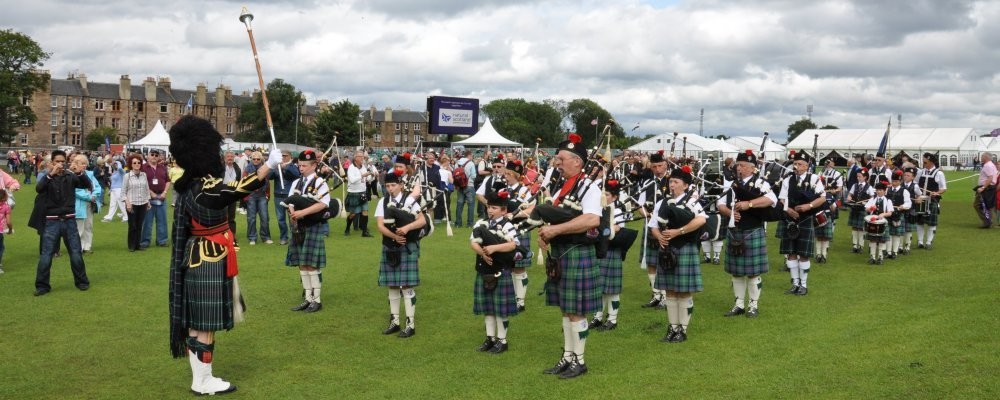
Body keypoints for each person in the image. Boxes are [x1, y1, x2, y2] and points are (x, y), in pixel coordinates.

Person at [168, 117, 279, 395]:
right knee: (205, 325)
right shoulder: (203, 188)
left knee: (198, 325)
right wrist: (267, 166)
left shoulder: (191, 185)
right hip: (209, 259)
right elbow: (236, 190)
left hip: (202, 256)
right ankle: (203, 381)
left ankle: (200, 378)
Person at [524, 133, 601, 379]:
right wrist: (545, 234)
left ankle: (580, 360)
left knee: (576, 310)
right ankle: (568, 356)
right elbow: (555, 215)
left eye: (562, 158)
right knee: (567, 309)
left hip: (578, 252)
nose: (557, 162)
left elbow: (592, 219)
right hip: (561, 252)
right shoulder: (561, 185)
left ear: (577, 161)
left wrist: (555, 230)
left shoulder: (590, 186)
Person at [648, 166, 706, 342]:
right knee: (670, 291)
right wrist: (659, 237)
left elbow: (701, 220)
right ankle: (672, 328)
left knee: (684, 292)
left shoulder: (692, 202)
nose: (672, 185)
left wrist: (678, 232)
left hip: (685, 247)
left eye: (676, 182)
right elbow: (653, 225)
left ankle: (683, 329)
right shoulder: (662, 202)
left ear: (686, 185)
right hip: (667, 249)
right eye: (671, 181)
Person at [717, 149, 776, 318]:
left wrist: (749, 204)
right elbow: (720, 205)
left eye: (742, 166)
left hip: (753, 230)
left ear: (752, 168)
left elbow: (771, 199)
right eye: (737, 165)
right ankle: (739, 304)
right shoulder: (730, 184)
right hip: (734, 230)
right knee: (736, 272)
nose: (739, 168)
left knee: (752, 272)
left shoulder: (760, 183)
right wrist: (729, 213)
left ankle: (753, 305)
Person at [376, 161, 428, 338]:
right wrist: (394, 237)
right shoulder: (383, 202)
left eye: (393, 185)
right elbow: (380, 225)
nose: (390, 189)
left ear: (401, 185)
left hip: (407, 247)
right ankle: (395, 322)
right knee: (392, 286)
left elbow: (422, 221)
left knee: (406, 286)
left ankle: (410, 324)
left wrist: (406, 229)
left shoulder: (410, 200)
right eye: (387, 185)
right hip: (389, 247)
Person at [31, 149, 91, 296]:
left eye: (63, 162)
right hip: (52, 221)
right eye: (57, 161)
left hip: (69, 220)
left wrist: (79, 172)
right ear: (52, 163)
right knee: (46, 255)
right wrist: (51, 174)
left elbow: (87, 185)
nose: (60, 164)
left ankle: (82, 282)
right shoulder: (47, 177)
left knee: (76, 253)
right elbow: (39, 189)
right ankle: (42, 286)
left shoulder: (70, 176)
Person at [470, 190, 520, 353]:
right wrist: (482, 253)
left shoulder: (508, 225)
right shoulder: (480, 223)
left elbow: (513, 245)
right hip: (484, 269)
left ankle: (502, 341)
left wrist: (494, 248)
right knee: (488, 307)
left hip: (501, 270)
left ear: (504, 210)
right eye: (489, 207)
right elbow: (473, 242)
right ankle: (490, 338)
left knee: (500, 309)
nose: (490, 210)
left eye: (494, 208)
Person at [285, 150, 332, 313]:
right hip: (298, 226)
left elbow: (323, 204)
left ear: (314, 165)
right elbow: (290, 200)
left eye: (304, 165)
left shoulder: (320, 183)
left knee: (312, 265)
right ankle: (307, 298)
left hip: (312, 225)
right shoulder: (296, 183)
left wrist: (302, 213)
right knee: (302, 264)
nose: (301, 168)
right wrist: (292, 212)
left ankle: (317, 300)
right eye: (299, 165)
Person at [777, 151, 825, 296]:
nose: (796, 166)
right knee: (791, 252)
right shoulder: (787, 180)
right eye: (795, 164)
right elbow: (782, 199)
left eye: (800, 164)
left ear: (807, 166)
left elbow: (822, 198)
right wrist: (789, 210)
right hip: (790, 219)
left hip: (806, 219)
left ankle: (803, 285)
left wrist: (808, 206)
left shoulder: (814, 178)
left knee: (803, 254)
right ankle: (795, 283)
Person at [638, 150, 670, 309]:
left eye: (660, 166)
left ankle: (665, 296)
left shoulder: (673, 182)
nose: (658, 169)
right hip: (651, 225)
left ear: (666, 165)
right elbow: (640, 206)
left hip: (667, 227)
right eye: (654, 166)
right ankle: (656, 294)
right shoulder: (648, 184)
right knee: (651, 261)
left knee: (664, 260)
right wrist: (648, 216)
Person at [71, 154, 102, 254]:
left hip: (90, 204)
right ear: (76, 164)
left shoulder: (90, 174)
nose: (84, 165)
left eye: (85, 163)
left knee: (89, 226)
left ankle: (87, 247)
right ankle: (78, 248)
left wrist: (94, 195)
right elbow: (76, 190)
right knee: (79, 228)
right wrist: (89, 197)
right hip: (79, 205)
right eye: (82, 163)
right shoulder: (72, 175)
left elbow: (97, 187)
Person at [915, 153, 947, 249]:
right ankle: (920, 241)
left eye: (925, 162)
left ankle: (928, 242)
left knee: (931, 223)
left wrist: (936, 193)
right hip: (921, 199)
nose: (923, 164)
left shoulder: (939, 173)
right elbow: (915, 184)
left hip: (932, 200)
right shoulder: (921, 172)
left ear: (931, 162)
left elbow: (943, 188)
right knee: (919, 221)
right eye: (923, 162)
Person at [140, 149, 170, 248]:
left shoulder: (163, 168)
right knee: (147, 221)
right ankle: (145, 241)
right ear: (148, 156)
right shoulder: (143, 168)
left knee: (162, 220)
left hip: (161, 196)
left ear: (159, 157)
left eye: (156, 155)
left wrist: (165, 192)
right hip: (148, 198)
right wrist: (150, 192)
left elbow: (168, 181)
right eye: (152, 154)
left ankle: (162, 241)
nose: (154, 156)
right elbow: (141, 182)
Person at [269, 150, 300, 245]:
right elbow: (269, 176)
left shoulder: (293, 166)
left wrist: (285, 168)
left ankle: (294, 237)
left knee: (292, 217)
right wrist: (275, 168)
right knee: (280, 218)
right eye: (282, 156)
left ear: (290, 156)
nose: (283, 157)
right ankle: (283, 237)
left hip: (289, 196)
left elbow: (297, 175)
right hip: (278, 195)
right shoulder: (277, 166)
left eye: (285, 155)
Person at [815, 159, 843, 263]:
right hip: (822, 202)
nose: (828, 164)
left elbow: (839, 188)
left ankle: (822, 253)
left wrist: (833, 191)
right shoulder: (821, 172)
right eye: (826, 162)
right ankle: (819, 254)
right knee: (820, 236)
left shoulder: (837, 174)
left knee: (824, 234)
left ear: (833, 164)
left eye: (830, 162)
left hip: (831, 197)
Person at [242, 151, 273, 245]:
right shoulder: (247, 169)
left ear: (261, 160)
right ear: (251, 159)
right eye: (254, 159)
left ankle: (266, 237)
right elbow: (243, 183)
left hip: (262, 195)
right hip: (251, 195)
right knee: (251, 218)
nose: (256, 160)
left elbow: (267, 184)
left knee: (264, 217)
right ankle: (252, 238)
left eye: (258, 159)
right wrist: (246, 197)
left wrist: (268, 195)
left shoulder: (265, 169)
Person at [122, 154, 150, 252]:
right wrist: (128, 203)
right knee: (132, 225)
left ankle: (138, 245)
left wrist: (148, 201)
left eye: (139, 162)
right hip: (132, 204)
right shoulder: (127, 176)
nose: (137, 164)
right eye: (134, 163)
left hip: (143, 203)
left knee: (139, 225)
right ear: (131, 164)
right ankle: (131, 246)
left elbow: (146, 189)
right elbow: (123, 192)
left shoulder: (144, 175)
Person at [864, 181, 895, 265]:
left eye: (881, 190)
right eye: (877, 190)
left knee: (882, 241)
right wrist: (871, 208)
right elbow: (866, 208)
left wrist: (883, 214)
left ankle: (880, 257)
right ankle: (872, 257)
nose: (879, 191)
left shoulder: (888, 200)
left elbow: (890, 212)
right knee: (872, 240)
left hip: (883, 222)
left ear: (885, 191)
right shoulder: (872, 199)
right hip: (873, 222)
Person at [345, 150, 374, 237]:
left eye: (363, 157)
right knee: (353, 214)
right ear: (355, 158)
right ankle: (347, 228)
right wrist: (363, 175)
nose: (362, 158)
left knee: (365, 211)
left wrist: (371, 176)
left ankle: (364, 232)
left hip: (362, 193)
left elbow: (367, 179)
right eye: (360, 157)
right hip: (354, 193)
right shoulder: (351, 168)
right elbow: (352, 180)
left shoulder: (363, 167)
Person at [846, 169, 874, 254]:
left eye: (860, 177)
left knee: (861, 228)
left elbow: (872, 198)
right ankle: (855, 246)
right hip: (854, 208)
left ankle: (860, 246)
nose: (858, 178)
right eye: (857, 176)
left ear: (865, 177)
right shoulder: (855, 185)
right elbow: (850, 194)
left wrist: (867, 203)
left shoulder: (869, 187)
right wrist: (849, 197)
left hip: (863, 209)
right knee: (854, 227)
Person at [885, 170, 911, 259]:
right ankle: (888, 252)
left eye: (896, 181)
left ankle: (894, 252)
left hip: (899, 215)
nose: (894, 183)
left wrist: (902, 206)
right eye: (893, 181)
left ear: (900, 181)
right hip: (889, 215)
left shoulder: (904, 191)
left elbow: (909, 203)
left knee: (896, 235)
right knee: (888, 233)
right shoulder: (887, 190)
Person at [899, 167, 922, 254]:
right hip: (901, 209)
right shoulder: (900, 185)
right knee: (901, 229)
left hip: (911, 210)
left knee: (908, 230)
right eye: (905, 175)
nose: (906, 177)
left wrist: (918, 199)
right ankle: (900, 247)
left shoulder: (915, 186)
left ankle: (907, 247)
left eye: (908, 175)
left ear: (913, 177)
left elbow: (919, 195)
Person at [222, 152, 241, 249]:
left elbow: (239, 180)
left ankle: (232, 236)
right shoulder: (220, 167)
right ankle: (221, 236)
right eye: (228, 157)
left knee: (231, 217)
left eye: (231, 157)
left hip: (232, 195)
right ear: (224, 158)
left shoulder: (237, 168)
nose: (230, 158)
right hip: (222, 195)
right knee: (222, 217)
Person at [454, 151, 477, 227]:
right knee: (471, 205)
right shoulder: (471, 163)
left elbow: (454, 173)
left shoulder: (457, 163)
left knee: (459, 204)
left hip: (460, 186)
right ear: (469, 155)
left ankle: (458, 223)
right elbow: (473, 175)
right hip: (469, 185)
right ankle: (470, 224)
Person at [974, 152, 996, 228]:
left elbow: (990, 178)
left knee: (977, 205)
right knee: (987, 205)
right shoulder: (991, 165)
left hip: (986, 188)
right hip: (988, 187)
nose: (981, 157)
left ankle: (987, 222)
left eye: (982, 156)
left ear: (986, 157)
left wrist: (982, 188)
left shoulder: (988, 165)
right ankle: (989, 221)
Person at [0, 189, 11, 274]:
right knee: (1, 248)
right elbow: (8, 222)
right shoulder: (6, 207)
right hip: (0, 231)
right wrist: (10, 229)